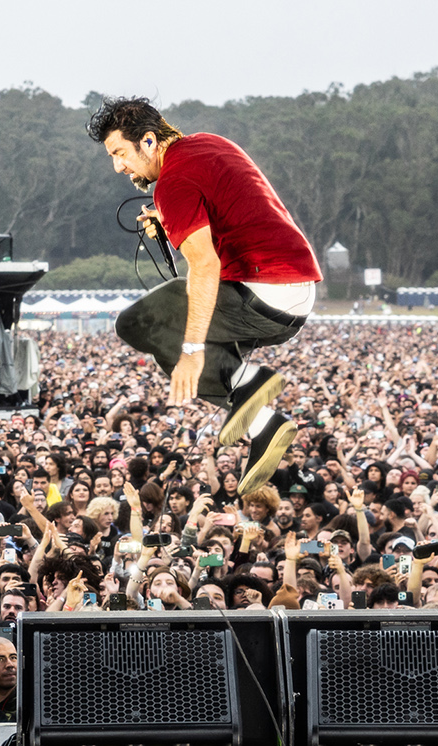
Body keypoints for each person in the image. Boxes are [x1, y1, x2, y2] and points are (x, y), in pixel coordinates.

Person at [90, 96, 321, 496]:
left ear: (148, 141)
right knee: (175, 336)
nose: (118, 166)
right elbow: (232, 208)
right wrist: (171, 220)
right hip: (294, 291)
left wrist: (194, 348)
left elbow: (205, 266)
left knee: (141, 324)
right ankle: (264, 425)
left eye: (120, 153)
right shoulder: (208, 143)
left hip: (263, 293)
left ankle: (249, 383)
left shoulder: (173, 183)